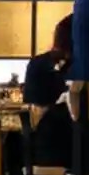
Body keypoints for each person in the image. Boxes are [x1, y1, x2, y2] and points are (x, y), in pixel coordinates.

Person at [22, 15, 72, 166]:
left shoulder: (37, 64)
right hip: (60, 144)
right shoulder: (80, 68)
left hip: (43, 143)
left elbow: (31, 106)